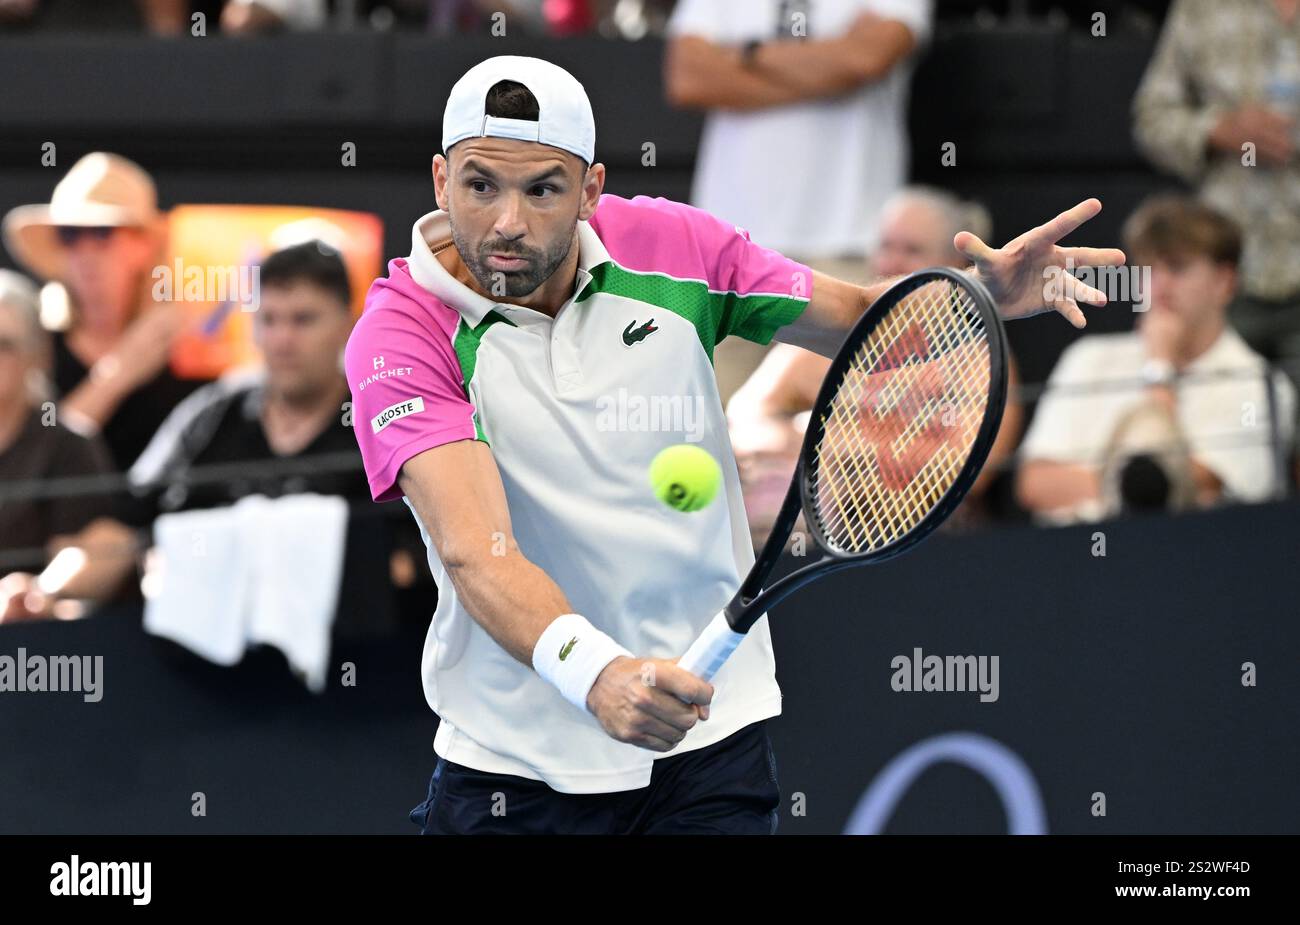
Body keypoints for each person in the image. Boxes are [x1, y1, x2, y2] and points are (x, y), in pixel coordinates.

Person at [344, 54, 1122, 835]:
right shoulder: (403, 332)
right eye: (481, 185)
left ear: (590, 190)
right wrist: (598, 674)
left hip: (709, 746)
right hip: (515, 769)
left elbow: (856, 316)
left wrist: (986, 295)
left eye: (542, 188)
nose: (507, 220)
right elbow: (478, 550)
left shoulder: (674, 246)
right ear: (441, 182)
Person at [664, 0, 933, 405]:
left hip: (849, 248)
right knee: (705, 431)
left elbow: (865, 59)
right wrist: (830, 63)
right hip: (730, 253)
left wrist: (744, 55)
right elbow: (689, 76)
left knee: (842, 439)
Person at [726, 187, 1025, 543]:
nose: (892, 264)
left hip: (929, 545)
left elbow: (970, 472)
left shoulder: (980, 357)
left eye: (912, 250)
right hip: (808, 538)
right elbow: (744, 419)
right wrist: (816, 452)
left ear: (957, 265)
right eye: (886, 246)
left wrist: (835, 450)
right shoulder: (820, 346)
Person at [1016, 195, 1296, 524]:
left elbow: (1167, 493)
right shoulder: (1088, 357)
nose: (1158, 286)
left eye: (1177, 268)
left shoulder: (1258, 385)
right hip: (1073, 561)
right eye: (1148, 269)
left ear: (1224, 282)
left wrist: (1159, 372)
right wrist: (1148, 484)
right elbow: (1036, 483)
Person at [1132, 0, 1300, 383]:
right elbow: (1150, 119)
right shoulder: (1200, 8)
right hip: (1224, 271)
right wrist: (1217, 130)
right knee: (1222, 421)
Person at [2, 152, 201, 471]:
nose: (86, 253)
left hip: (162, 515)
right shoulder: (34, 338)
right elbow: (28, 457)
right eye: (70, 235)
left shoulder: (190, 341)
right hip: (63, 518)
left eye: (103, 233)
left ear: (144, 245)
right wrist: (120, 372)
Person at [0, 270, 125, 622]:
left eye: (3, 345)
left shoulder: (64, 443)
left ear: (34, 355)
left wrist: (39, 591)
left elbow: (90, 551)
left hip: (25, 642)